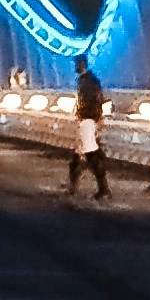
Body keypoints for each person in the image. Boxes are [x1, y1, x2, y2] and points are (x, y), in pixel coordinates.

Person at [64, 59, 110, 198]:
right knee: (78, 156)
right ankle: (72, 186)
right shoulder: (90, 80)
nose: (75, 67)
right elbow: (100, 99)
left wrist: (88, 116)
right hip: (88, 120)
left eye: (77, 64)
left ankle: (103, 190)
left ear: (82, 64)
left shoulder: (86, 81)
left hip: (87, 120)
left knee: (91, 155)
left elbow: (92, 101)